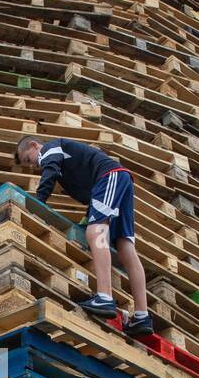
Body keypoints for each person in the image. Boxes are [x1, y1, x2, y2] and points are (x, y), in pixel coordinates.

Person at [15, 135, 153, 335]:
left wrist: (38, 204)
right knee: (125, 246)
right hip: (116, 180)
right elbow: (91, 192)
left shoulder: (52, 148)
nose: (33, 165)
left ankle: (104, 297)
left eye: (29, 159)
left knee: (95, 231)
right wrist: (89, 215)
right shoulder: (68, 166)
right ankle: (141, 317)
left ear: (35, 146)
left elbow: (49, 171)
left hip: (110, 176)